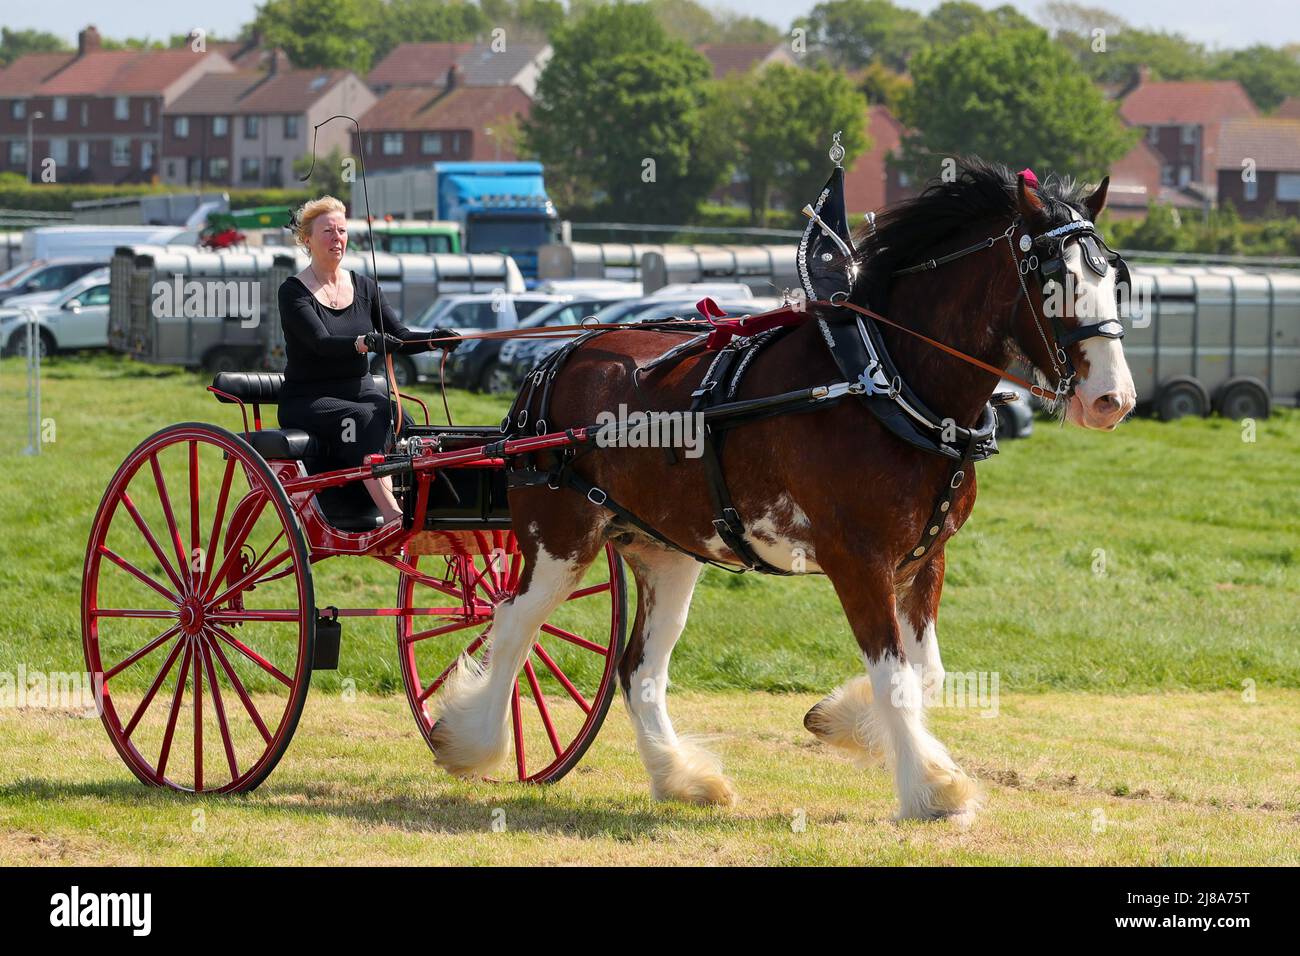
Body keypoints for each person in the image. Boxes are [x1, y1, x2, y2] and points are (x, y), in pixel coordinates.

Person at [277, 195, 459, 525]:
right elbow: (320, 343)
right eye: (328, 231)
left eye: (342, 230)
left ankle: (421, 504)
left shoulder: (364, 286)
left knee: (401, 417)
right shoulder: (293, 292)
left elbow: (399, 336)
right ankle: (391, 515)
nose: (337, 238)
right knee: (366, 417)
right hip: (310, 399)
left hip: (359, 392)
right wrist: (364, 342)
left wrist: (435, 339)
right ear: (307, 239)